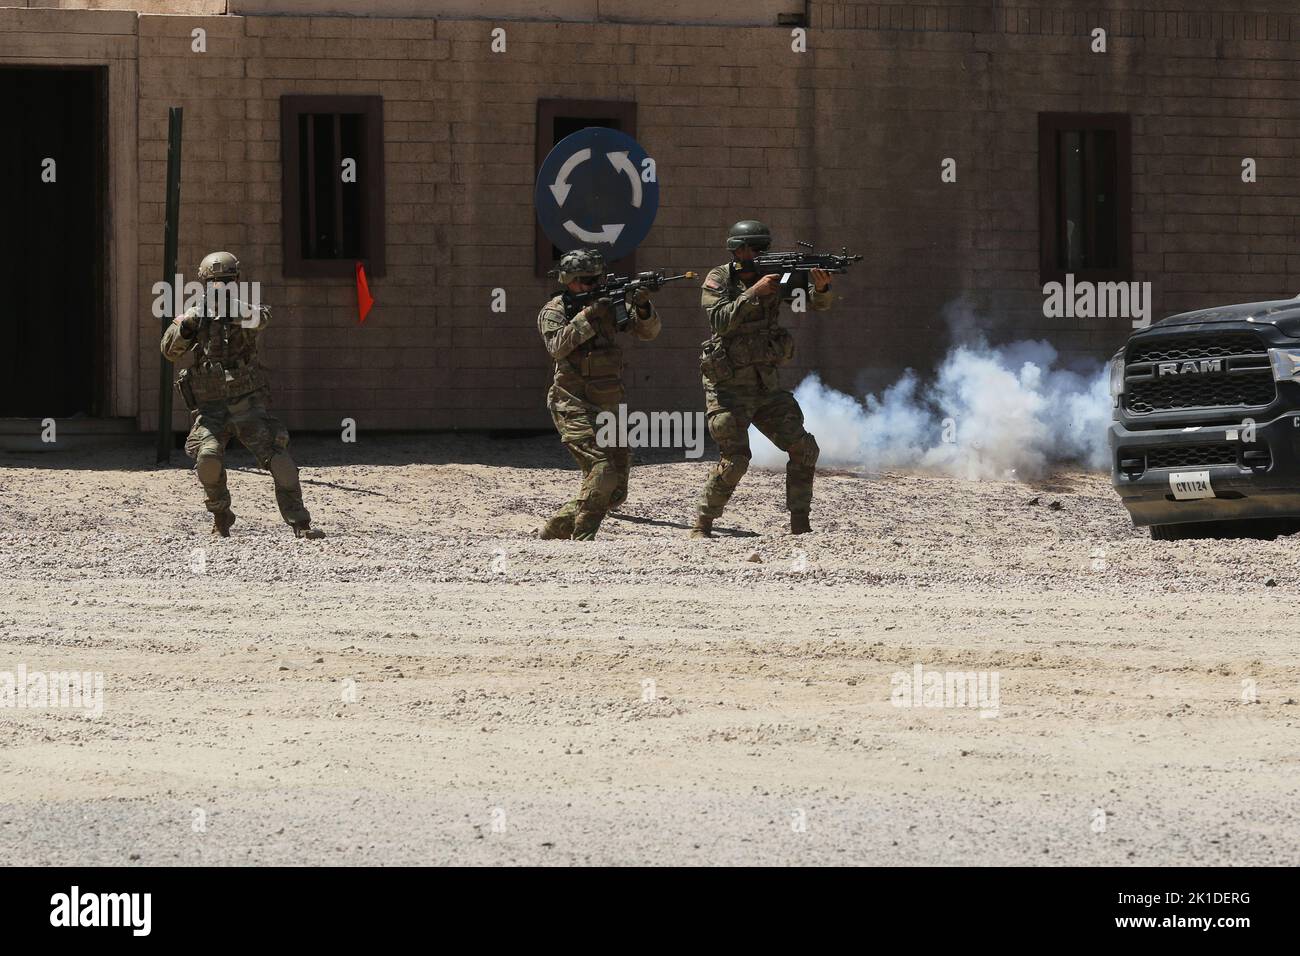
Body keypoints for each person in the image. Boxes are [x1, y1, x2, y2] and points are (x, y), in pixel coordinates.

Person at [161, 251, 322, 539]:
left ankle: (300, 523)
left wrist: (231, 311)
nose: (220, 286)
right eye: (214, 282)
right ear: (204, 283)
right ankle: (221, 515)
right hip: (211, 410)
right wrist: (186, 325)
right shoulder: (195, 315)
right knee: (208, 459)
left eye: (225, 281)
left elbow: (262, 318)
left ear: (235, 281)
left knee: (280, 460)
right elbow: (169, 351)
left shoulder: (244, 311)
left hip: (247, 406)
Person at [691, 220, 833, 537]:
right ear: (739, 250)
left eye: (764, 248)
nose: (761, 254)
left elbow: (807, 302)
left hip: (765, 386)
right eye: (756, 249)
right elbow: (719, 320)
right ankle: (703, 522)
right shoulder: (719, 278)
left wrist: (821, 288)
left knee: (804, 448)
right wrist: (753, 293)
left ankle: (800, 523)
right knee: (736, 460)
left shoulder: (778, 277)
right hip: (727, 388)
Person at [536, 248, 661, 540]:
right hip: (572, 403)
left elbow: (648, 332)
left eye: (597, 279)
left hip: (608, 402)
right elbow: (557, 347)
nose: (594, 285)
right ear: (568, 281)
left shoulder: (609, 305)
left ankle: (559, 526)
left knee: (615, 490)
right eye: (586, 281)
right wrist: (589, 315)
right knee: (602, 470)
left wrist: (643, 306)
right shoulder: (556, 310)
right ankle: (583, 540)